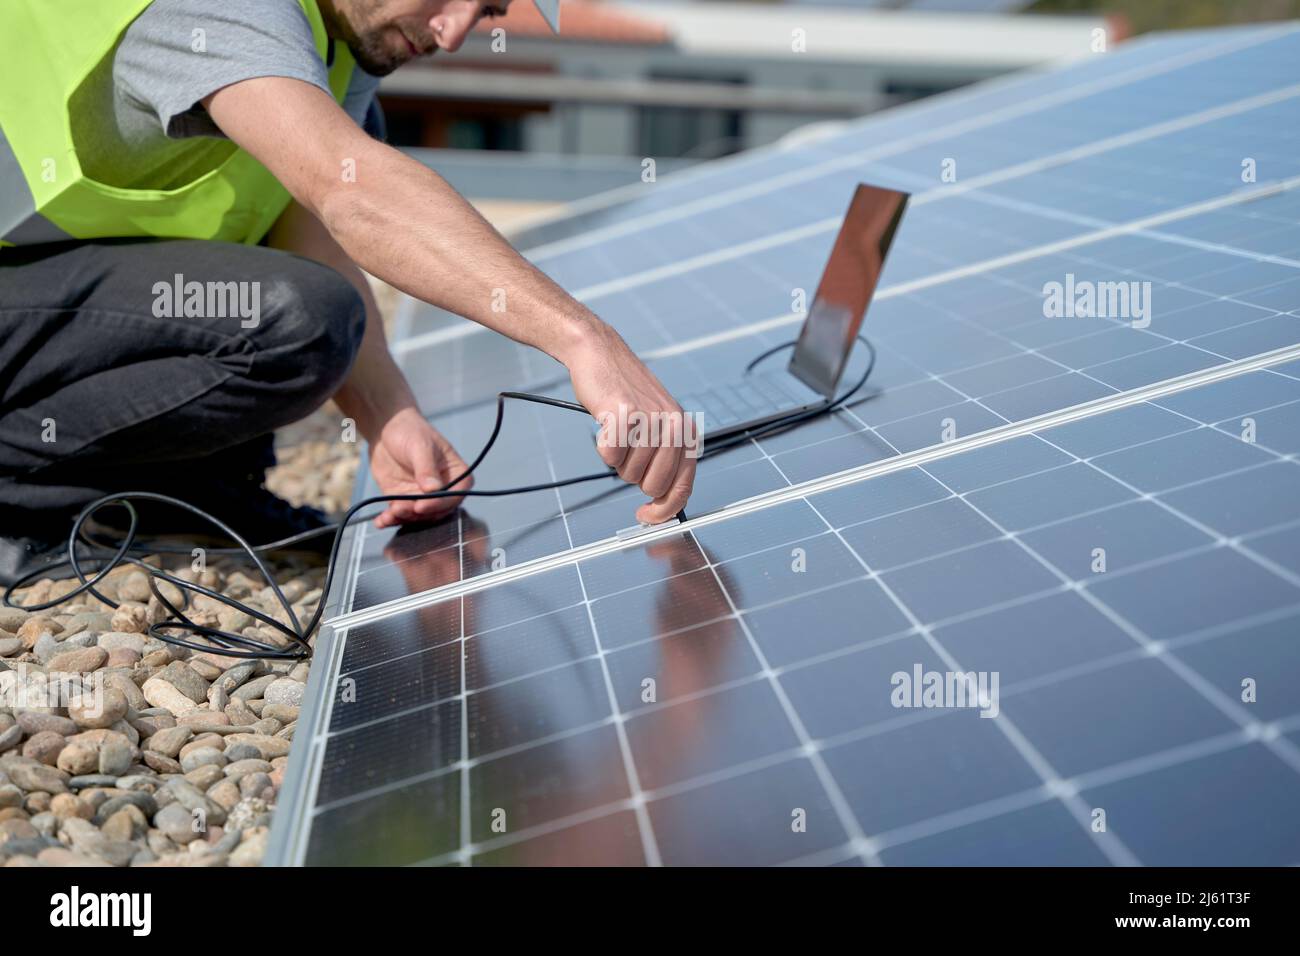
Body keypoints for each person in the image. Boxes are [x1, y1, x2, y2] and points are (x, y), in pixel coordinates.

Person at [0, 0, 696, 586]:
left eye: (486, 11)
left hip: (43, 291)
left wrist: (388, 418)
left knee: (302, 302)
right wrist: (584, 339)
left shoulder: (338, 48)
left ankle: (174, 495)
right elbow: (352, 190)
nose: (452, 33)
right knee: (295, 319)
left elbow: (306, 225)